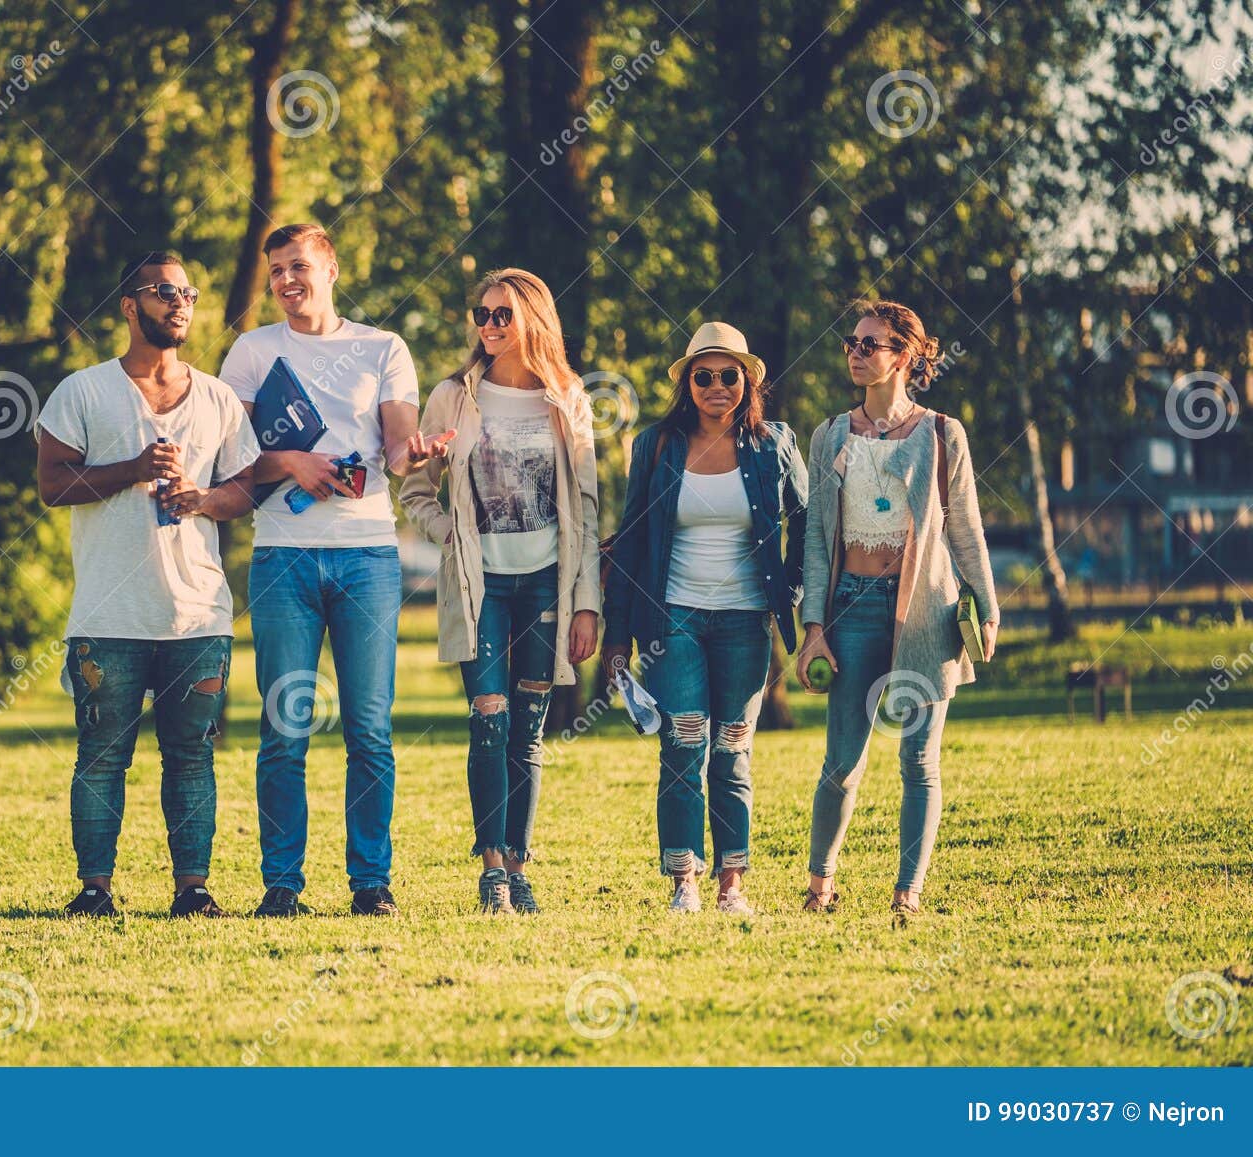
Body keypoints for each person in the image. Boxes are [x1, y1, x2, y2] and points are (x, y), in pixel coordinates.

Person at [219, 223, 451, 918]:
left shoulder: (382, 348)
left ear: (330, 268)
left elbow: (397, 449)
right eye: (277, 273)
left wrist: (423, 450)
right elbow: (225, 460)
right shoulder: (254, 351)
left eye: (298, 267)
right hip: (282, 558)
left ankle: (370, 881)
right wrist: (289, 461)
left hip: (367, 557)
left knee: (369, 727)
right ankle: (281, 884)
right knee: (283, 726)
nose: (287, 281)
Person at [35, 250, 259, 918]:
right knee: (101, 756)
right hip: (108, 614)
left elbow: (246, 487)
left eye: (189, 292)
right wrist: (129, 468)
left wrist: (203, 500)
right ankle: (94, 889)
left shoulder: (217, 396)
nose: (181, 302)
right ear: (131, 305)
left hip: (197, 614)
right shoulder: (82, 391)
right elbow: (51, 484)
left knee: (191, 755)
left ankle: (193, 888)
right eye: (166, 291)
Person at [401, 269, 600, 914]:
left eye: (502, 316)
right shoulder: (452, 399)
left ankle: (519, 868)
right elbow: (413, 488)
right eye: (482, 315)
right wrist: (453, 534)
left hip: (548, 581)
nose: (488, 327)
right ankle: (491, 873)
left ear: (533, 321)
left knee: (530, 730)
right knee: (489, 718)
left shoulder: (567, 399)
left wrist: (588, 601)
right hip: (480, 586)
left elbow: (589, 509)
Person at [795, 299, 999, 917]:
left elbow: (964, 528)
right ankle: (819, 886)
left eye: (869, 344)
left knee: (919, 760)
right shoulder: (830, 434)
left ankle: (907, 893)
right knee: (841, 763)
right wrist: (812, 629)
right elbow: (813, 538)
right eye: (851, 343)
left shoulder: (943, 434)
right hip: (849, 609)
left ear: (903, 356)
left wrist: (986, 606)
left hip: (926, 614)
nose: (855, 354)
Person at [602, 322, 807, 915]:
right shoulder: (657, 446)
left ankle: (732, 884)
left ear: (747, 381)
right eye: (704, 376)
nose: (717, 386)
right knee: (684, 743)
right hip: (673, 622)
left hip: (746, 622)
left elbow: (810, 523)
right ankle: (684, 879)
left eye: (728, 375)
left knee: (733, 748)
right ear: (688, 384)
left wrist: (792, 590)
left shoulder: (773, 445)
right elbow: (632, 544)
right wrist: (618, 636)